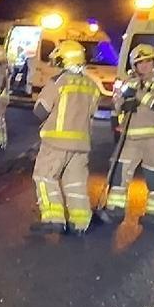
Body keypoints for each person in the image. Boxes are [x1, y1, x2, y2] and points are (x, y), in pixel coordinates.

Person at [29, 41, 103, 235]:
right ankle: (80, 222)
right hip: (81, 144)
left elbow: (40, 110)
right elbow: (92, 112)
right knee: (75, 182)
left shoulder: (58, 81)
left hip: (56, 142)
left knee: (44, 176)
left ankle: (53, 219)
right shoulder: (91, 85)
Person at [104, 43, 154, 227]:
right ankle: (115, 211)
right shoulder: (129, 83)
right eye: (139, 63)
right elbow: (117, 105)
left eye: (148, 61)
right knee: (118, 173)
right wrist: (121, 103)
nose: (144, 66)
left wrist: (138, 95)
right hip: (130, 139)